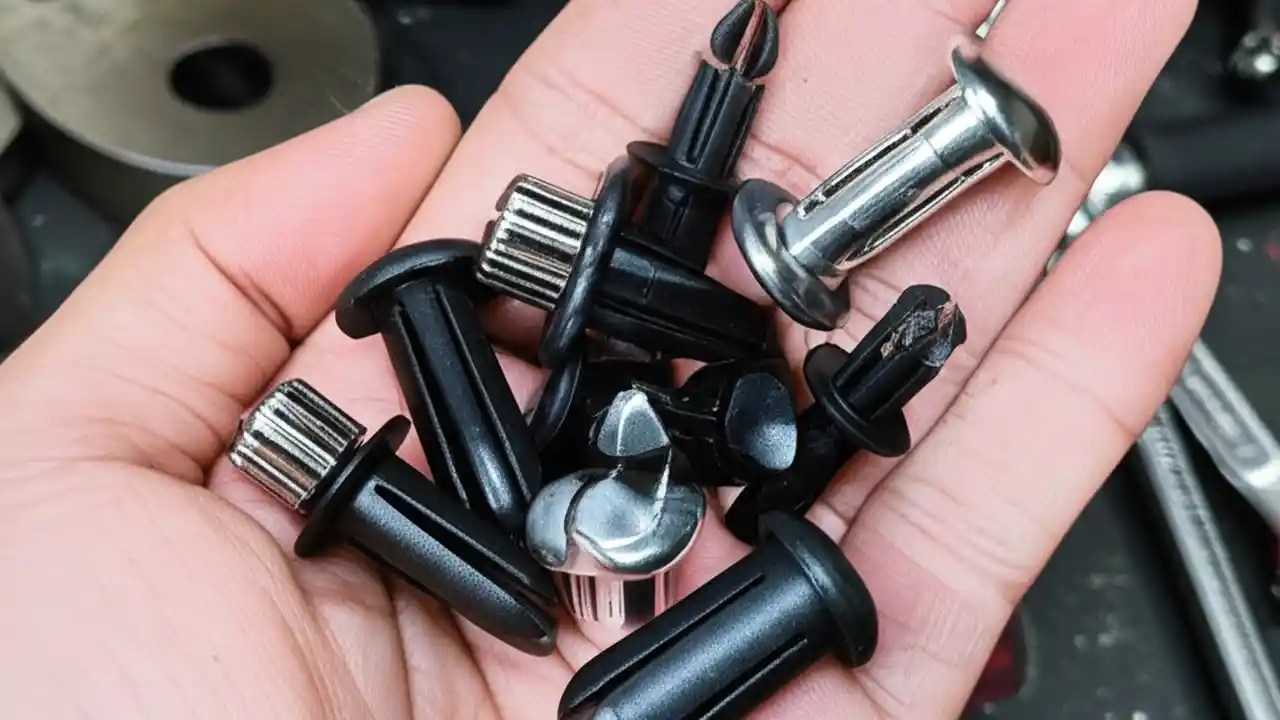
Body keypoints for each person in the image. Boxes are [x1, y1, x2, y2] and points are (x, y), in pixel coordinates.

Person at [0, 1, 1220, 718]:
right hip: (540, 487)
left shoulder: (718, 386)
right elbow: (540, 591)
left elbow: (739, 356)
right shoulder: (535, 516)